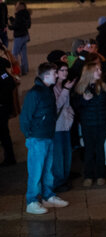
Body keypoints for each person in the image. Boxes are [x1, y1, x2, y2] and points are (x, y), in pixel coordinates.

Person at [20, 63, 68, 214]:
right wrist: (30, 136)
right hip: (37, 137)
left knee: (48, 169)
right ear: (46, 76)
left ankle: (48, 196)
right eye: (54, 73)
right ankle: (32, 201)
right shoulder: (35, 93)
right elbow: (25, 117)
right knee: (36, 171)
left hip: (47, 135)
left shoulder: (47, 90)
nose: (57, 75)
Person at [71, 58, 106, 187]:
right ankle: (88, 175)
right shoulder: (80, 88)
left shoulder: (104, 86)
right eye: (97, 70)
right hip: (87, 123)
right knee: (89, 150)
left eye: (99, 69)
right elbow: (75, 107)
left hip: (103, 122)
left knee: (101, 149)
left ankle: (101, 174)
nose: (100, 71)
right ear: (89, 73)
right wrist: (84, 100)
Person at [51, 63, 74, 191]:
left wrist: (70, 117)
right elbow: (56, 106)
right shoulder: (53, 88)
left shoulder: (64, 85)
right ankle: (58, 182)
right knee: (58, 155)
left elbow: (67, 105)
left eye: (66, 70)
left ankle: (64, 178)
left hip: (66, 125)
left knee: (66, 153)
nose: (65, 72)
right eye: (62, 70)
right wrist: (66, 90)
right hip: (57, 127)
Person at [0, 50, 19, 166]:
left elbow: (9, 84)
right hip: (4, 106)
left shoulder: (2, 74)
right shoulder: (3, 71)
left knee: (4, 133)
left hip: (2, 107)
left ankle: (10, 158)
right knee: (4, 133)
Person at [10, 0, 31, 76]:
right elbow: (26, 25)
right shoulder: (26, 14)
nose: (15, 6)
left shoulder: (19, 15)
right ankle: (25, 69)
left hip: (19, 37)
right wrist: (13, 20)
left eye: (16, 5)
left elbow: (16, 26)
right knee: (23, 54)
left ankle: (17, 71)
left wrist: (9, 26)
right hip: (25, 35)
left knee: (14, 54)